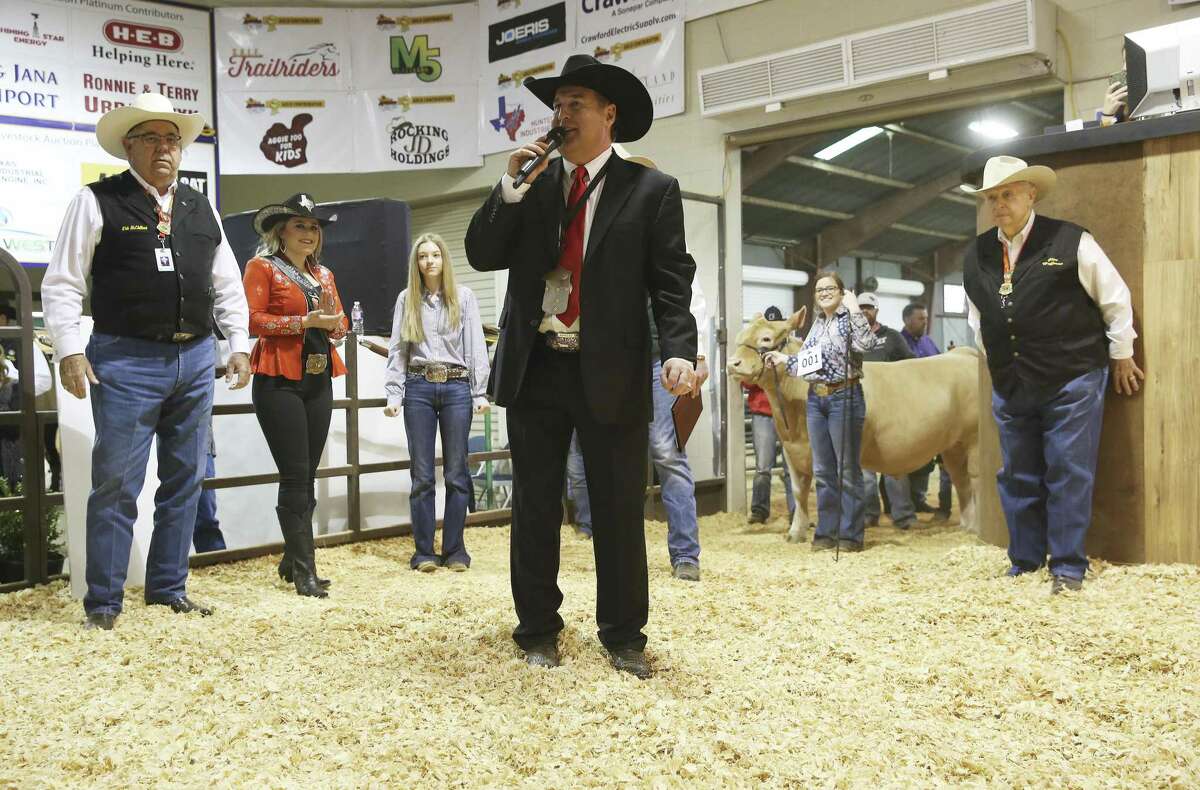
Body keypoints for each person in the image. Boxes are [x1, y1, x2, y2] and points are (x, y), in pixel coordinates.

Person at [465, 54, 698, 679]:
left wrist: (678, 348)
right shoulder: (533, 184)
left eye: (575, 105)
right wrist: (506, 189)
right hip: (537, 366)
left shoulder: (652, 191)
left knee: (620, 507)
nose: (561, 116)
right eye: (557, 105)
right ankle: (537, 628)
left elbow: (672, 284)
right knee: (536, 506)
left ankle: (623, 634)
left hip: (613, 369)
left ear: (608, 114)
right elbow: (481, 253)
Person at [42, 93, 251, 631]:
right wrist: (69, 349)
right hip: (126, 359)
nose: (164, 148)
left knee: (185, 479)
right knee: (116, 482)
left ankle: (168, 589)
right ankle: (104, 605)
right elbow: (63, 283)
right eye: (152, 138)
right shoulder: (96, 200)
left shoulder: (199, 208)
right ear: (128, 146)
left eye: (172, 139)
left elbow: (225, 281)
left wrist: (240, 344)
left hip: (197, 357)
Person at [961, 155, 1141, 594]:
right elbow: (976, 318)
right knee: (1016, 475)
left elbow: (1114, 299)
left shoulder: (1070, 240)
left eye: (1007, 194)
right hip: (1011, 382)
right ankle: (1024, 561)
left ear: (1030, 193)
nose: (999, 204)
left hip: (1072, 378)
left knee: (1068, 471)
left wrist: (1122, 353)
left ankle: (1066, 567)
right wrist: (1001, 361)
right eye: (992, 197)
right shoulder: (979, 252)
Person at [564, 262, 710, 580]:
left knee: (666, 452)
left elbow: (690, 297)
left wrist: (698, 356)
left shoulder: (665, 242)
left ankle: (685, 553)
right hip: (615, 360)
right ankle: (617, 552)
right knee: (612, 454)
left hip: (662, 357)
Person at [243, 193, 347, 598]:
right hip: (278, 379)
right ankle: (305, 571)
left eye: (314, 227)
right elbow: (253, 319)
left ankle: (293, 559)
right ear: (280, 231)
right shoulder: (262, 267)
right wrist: (304, 321)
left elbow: (335, 325)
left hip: (318, 377)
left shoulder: (325, 275)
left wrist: (336, 326)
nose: (309, 233)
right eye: (300, 225)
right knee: (295, 473)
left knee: (308, 475)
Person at [384, 234, 491, 573]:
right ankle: (423, 552)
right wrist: (394, 392)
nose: (429, 261)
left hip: (457, 387)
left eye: (435, 255)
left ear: (444, 260)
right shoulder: (407, 299)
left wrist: (479, 392)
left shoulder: (465, 297)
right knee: (422, 475)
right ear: (416, 264)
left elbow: (476, 345)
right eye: (422, 256)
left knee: (458, 472)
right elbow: (398, 348)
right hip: (418, 388)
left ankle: (456, 550)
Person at [765, 272, 875, 552]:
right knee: (823, 470)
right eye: (819, 290)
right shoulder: (818, 324)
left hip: (844, 395)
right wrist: (784, 359)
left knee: (847, 469)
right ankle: (827, 532)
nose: (824, 292)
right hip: (817, 398)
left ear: (842, 291)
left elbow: (866, 345)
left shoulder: (849, 318)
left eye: (830, 288)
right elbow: (809, 361)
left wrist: (853, 309)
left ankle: (851, 535)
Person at [857, 293, 918, 530]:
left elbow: (911, 366)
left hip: (892, 412)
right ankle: (869, 514)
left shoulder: (891, 337)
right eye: (860, 308)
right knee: (864, 471)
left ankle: (903, 516)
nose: (864, 312)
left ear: (876, 311)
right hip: (862, 410)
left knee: (895, 466)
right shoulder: (851, 339)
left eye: (869, 308)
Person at [899, 302, 952, 520]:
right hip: (906, 407)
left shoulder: (929, 342)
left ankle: (919, 499)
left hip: (932, 408)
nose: (925, 322)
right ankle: (902, 505)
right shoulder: (898, 341)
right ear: (908, 320)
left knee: (928, 460)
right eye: (921, 318)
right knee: (904, 458)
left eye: (926, 318)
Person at [745, 305, 795, 526]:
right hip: (763, 412)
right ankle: (759, 510)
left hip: (787, 411)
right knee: (762, 466)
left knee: (791, 464)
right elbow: (746, 379)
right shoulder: (754, 350)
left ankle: (797, 511)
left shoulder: (789, 349)